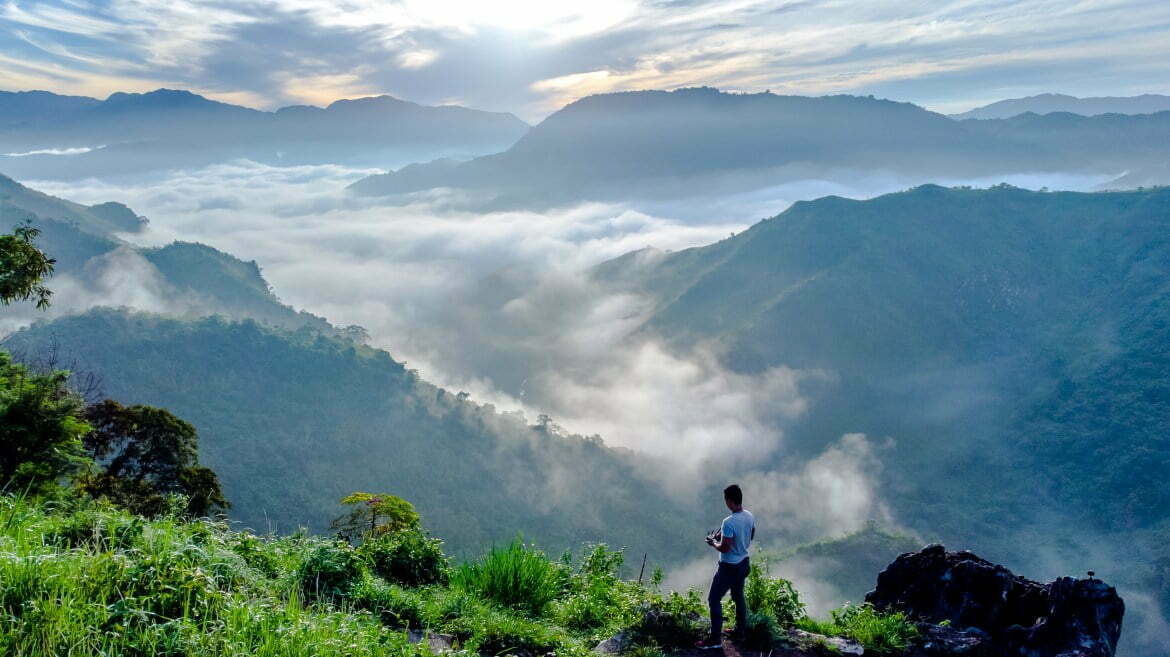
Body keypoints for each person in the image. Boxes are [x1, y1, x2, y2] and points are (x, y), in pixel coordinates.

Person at [696, 484, 755, 649]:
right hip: (743, 563)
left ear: (729, 501)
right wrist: (730, 539)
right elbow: (750, 534)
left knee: (714, 600)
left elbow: (724, 548)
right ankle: (740, 631)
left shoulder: (728, 522)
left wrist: (713, 542)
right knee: (738, 596)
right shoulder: (749, 515)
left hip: (729, 567)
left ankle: (715, 640)